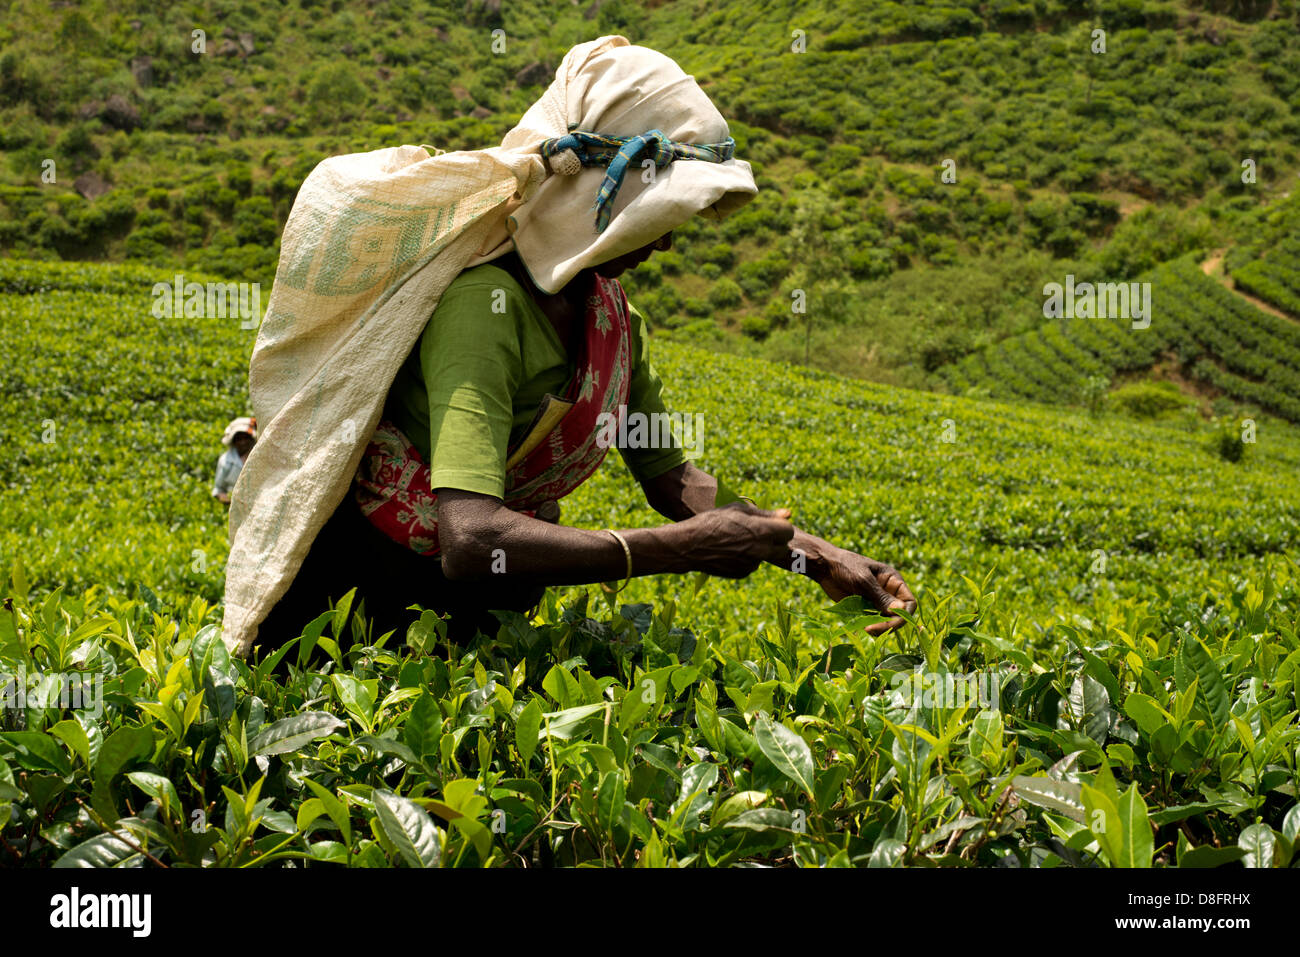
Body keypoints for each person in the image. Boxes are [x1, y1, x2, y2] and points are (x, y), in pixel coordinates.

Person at [246, 37, 916, 656]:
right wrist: (675, 551)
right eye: (661, 219)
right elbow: (472, 538)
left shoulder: (609, 317)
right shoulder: (484, 305)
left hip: (481, 620)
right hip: (359, 617)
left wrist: (819, 555)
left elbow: (675, 480)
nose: (667, 243)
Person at [212, 417, 256, 505]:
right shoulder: (226, 461)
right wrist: (228, 500)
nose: (243, 442)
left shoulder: (259, 456)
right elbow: (218, 489)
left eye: (246, 438)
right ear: (234, 441)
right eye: (239, 439)